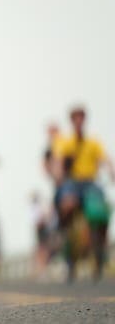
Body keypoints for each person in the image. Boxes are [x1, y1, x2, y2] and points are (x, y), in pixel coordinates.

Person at [52, 106, 114, 280]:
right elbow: (58, 160)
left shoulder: (93, 142)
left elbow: (105, 159)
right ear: (71, 121)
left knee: (102, 212)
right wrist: (58, 176)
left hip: (90, 182)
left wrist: (111, 171)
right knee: (67, 203)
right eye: (76, 118)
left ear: (85, 120)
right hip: (72, 182)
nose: (79, 121)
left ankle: (100, 250)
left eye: (82, 118)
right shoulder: (65, 142)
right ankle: (64, 233)